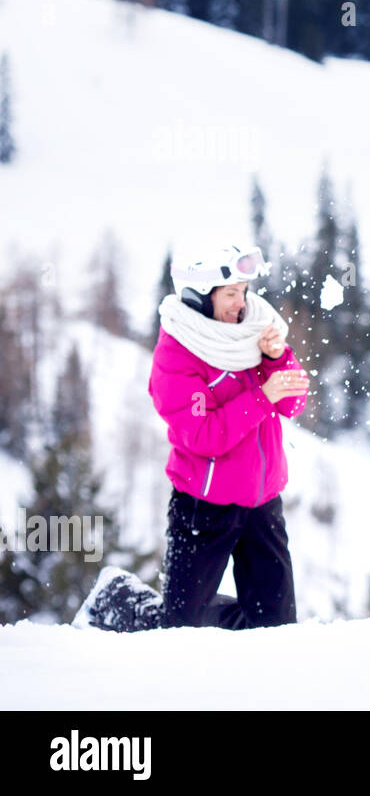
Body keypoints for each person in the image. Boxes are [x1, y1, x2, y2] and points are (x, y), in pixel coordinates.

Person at [76, 244, 310, 630]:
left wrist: (276, 357)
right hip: (205, 507)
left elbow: (293, 405)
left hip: (263, 505)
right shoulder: (177, 356)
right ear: (200, 298)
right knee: (179, 628)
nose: (242, 303)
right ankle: (116, 595)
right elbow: (203, 436)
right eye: (230, 294)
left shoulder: (253, 333)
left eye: (244, 290)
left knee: (276, 627)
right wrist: (262, 395)